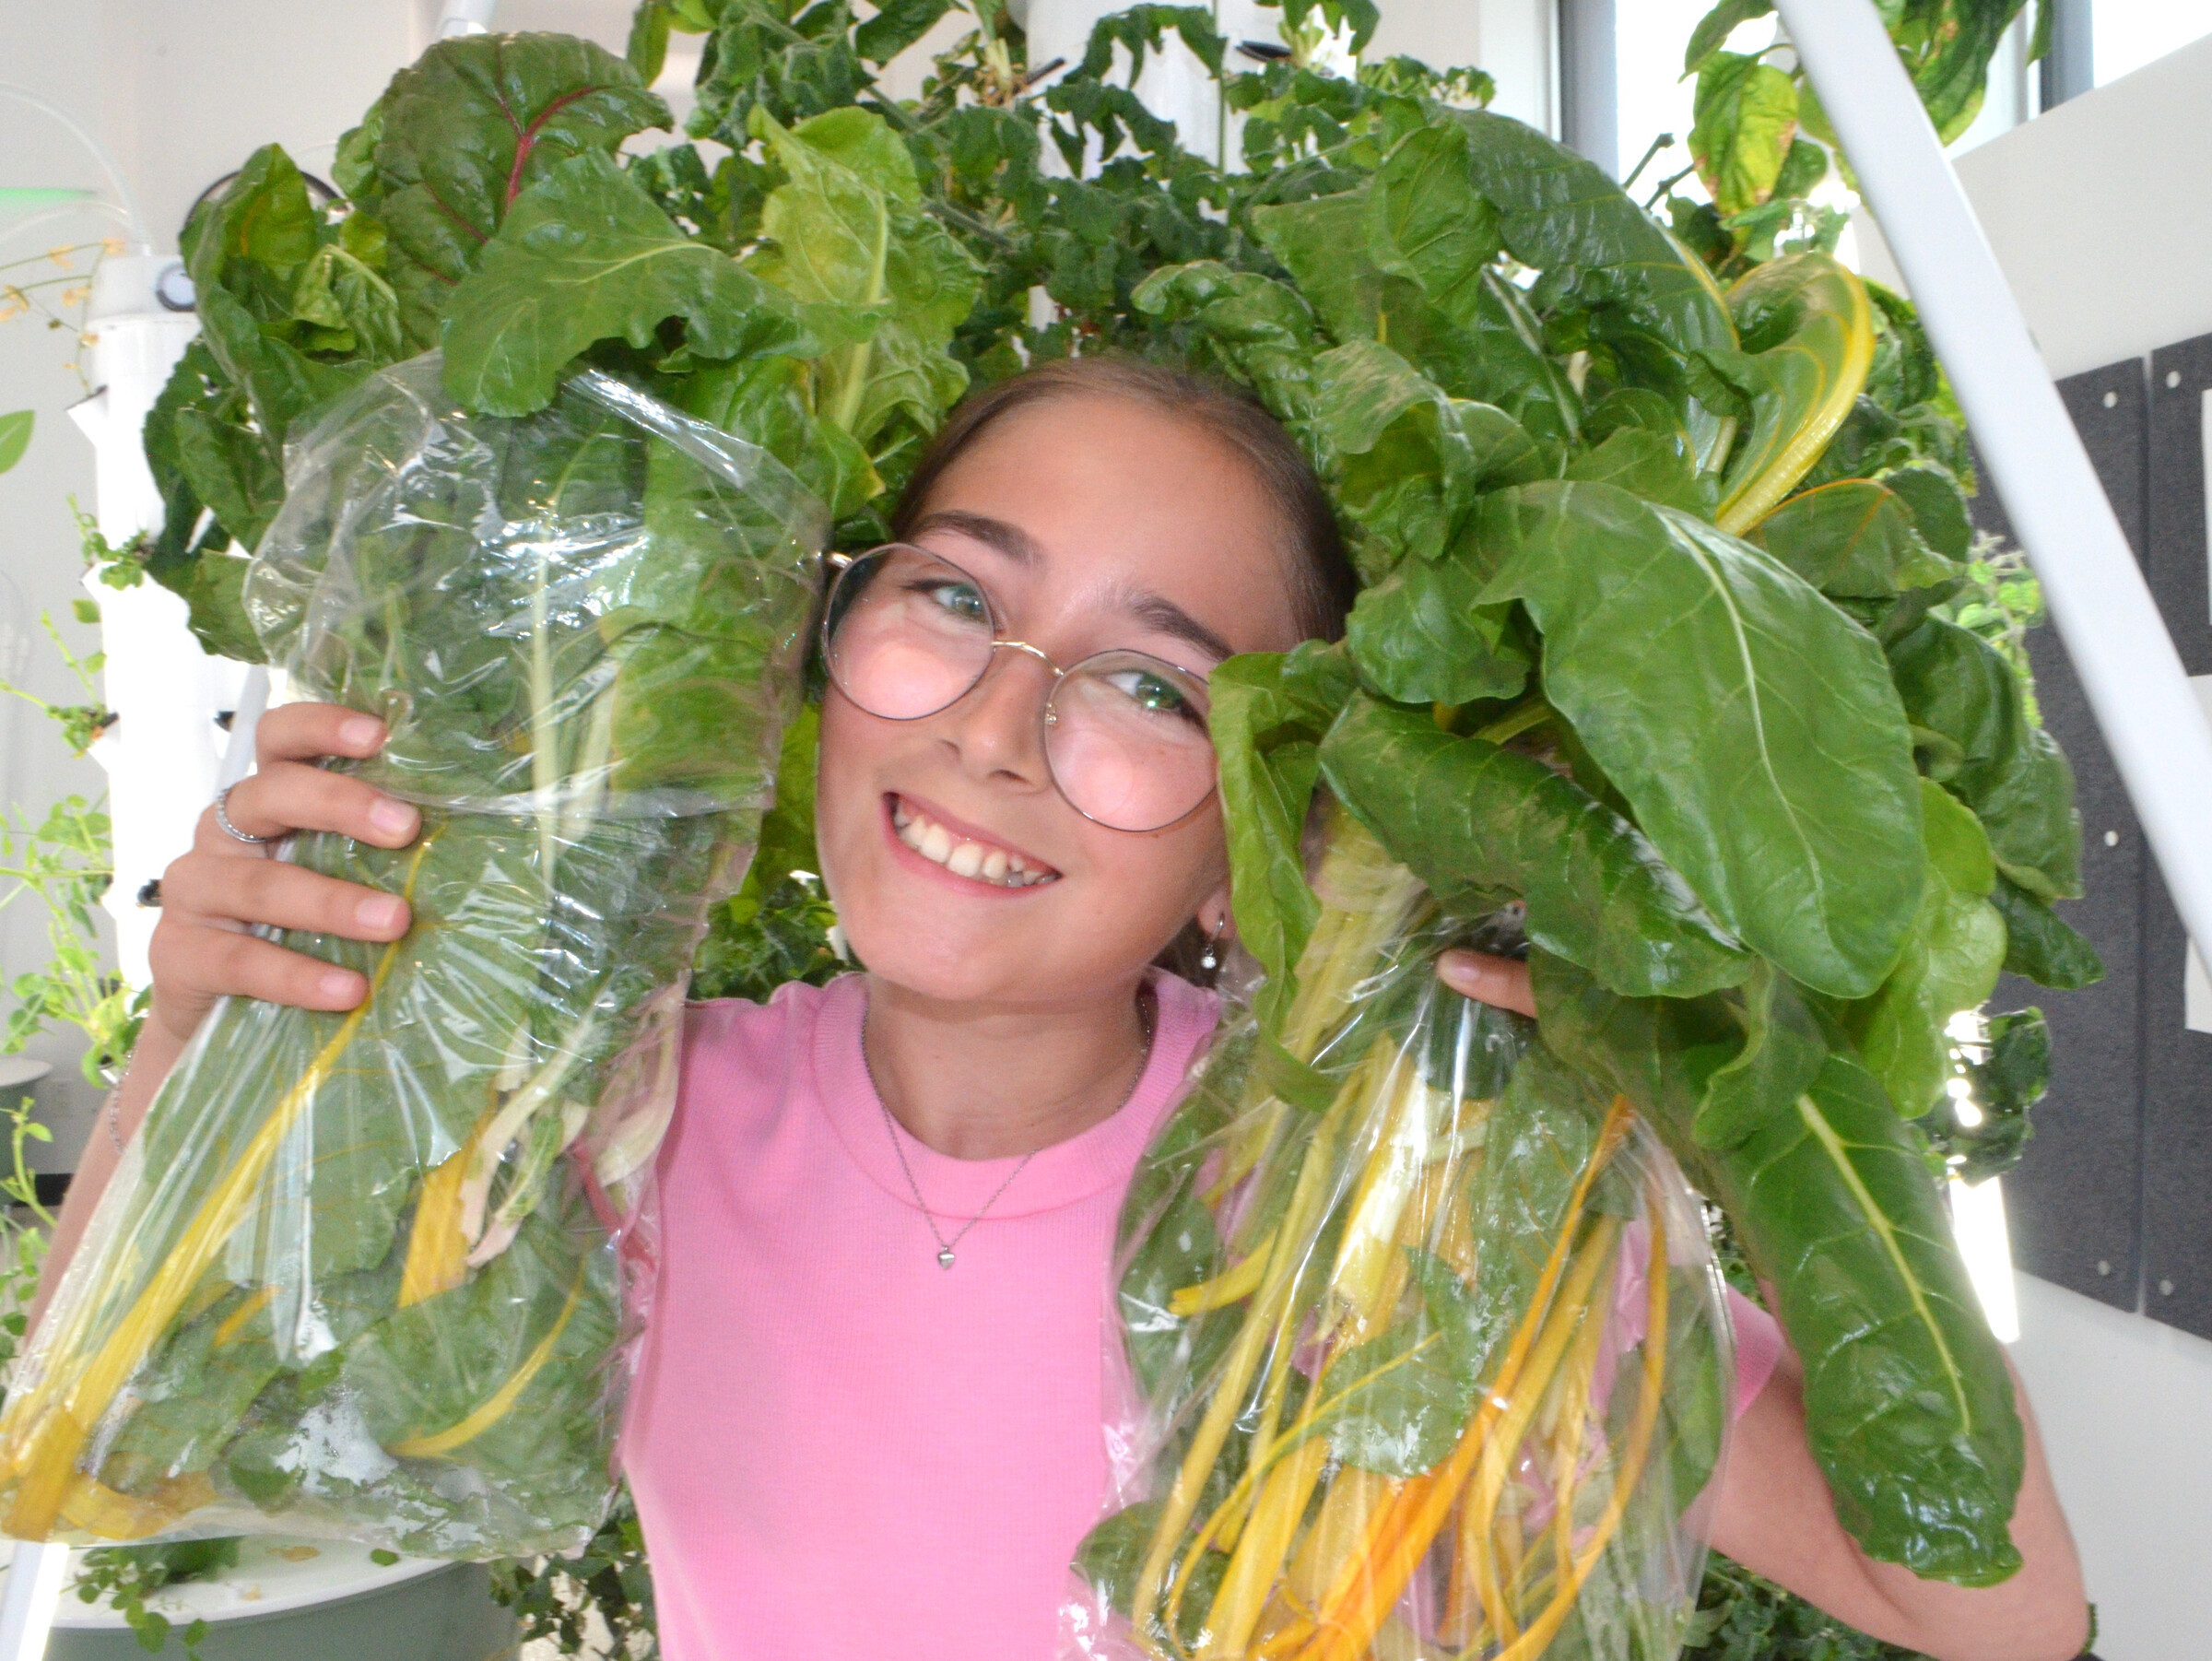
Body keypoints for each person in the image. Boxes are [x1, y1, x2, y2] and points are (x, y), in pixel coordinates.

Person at [46, 358, 2088, 1661]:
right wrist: (222, 1039)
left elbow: (1990, 1606)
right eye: (955, 596)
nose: (998, 729)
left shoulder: (1392, 1187)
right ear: (820, 653)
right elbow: (120, 1427)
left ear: (1260, 831)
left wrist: (1761, 1107)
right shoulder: (615, 1124)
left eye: (1147, 686)